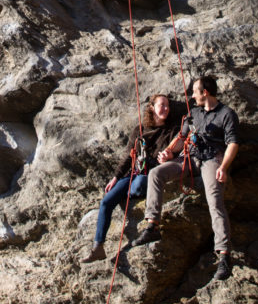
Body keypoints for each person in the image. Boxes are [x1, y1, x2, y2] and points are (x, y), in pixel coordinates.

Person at [129, 74, 239, 281]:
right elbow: (182, 137)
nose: (193, 96)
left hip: (211, 159)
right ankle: (152, 224)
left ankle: (224, 254)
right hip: (189, 157)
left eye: (195, 92)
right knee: (156, 173)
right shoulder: (194, 113)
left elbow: (233, 143)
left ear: (204, 92)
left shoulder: (226, 114)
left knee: (215, 200)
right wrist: (169, 153)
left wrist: (224, 167)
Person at [81, 93, 184, 263]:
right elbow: (129, 156)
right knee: (106, 202)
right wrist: (116, 177)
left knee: (138, 186)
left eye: (167, 105)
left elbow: (174, 152)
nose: (165, 108)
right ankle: (98, 246)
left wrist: (169, 156)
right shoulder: (140, 130)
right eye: (161, 105)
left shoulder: (171, 131)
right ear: (152, 108)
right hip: (135, 172)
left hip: (150, 174)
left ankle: (130, 193)